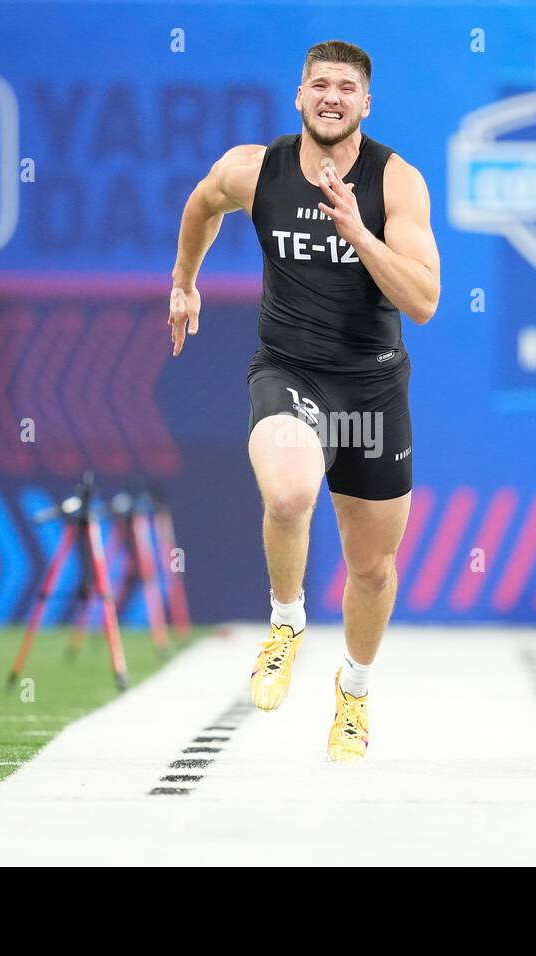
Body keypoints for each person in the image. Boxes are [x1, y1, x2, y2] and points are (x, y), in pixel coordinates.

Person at [167, 40, 441, 761]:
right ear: (299, 96)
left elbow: (424, 301)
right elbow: (201, 205)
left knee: (372, 567)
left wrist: (359, 232)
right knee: (289, 494)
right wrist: (183, 281)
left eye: (346, 88)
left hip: (374, 386)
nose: (332, 97)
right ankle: (285, 624)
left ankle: (353, 692)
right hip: (289, 371)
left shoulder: (398, 182)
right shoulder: (255, 169)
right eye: (320, 84)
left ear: (365, 104)